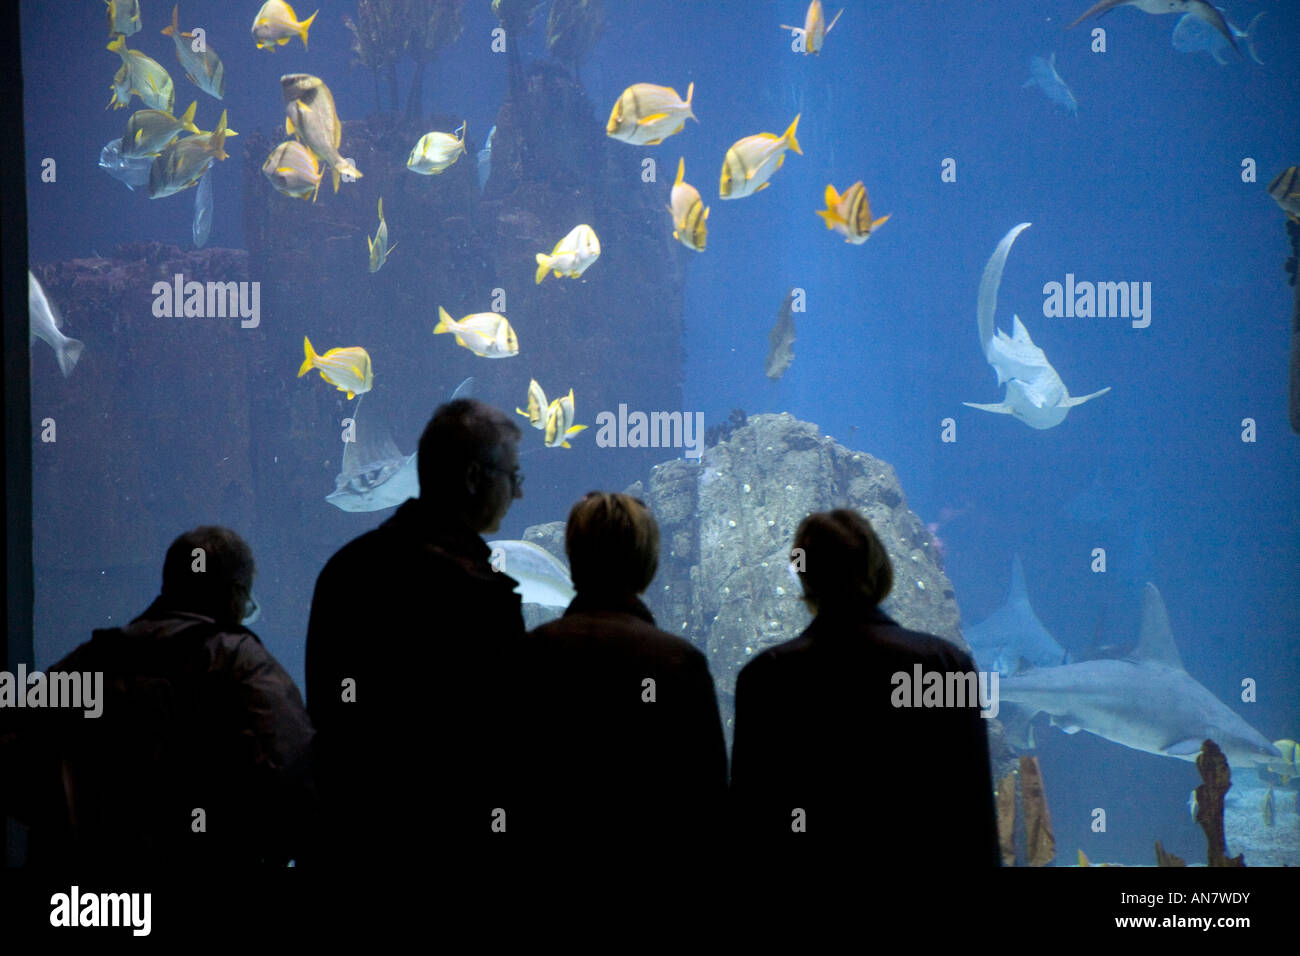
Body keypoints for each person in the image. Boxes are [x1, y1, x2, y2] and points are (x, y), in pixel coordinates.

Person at [1, 526, 314, 867]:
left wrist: (71, 826)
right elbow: (295, 774)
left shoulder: (94, 657)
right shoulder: (241, 662)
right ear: (237, 594)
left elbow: (12, 747)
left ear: (169, 582)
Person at [305, 399, 526, 865]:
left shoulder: (343, 571)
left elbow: (327, 717)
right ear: (472, 478)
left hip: (351, 840)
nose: (518, 493)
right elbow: (497, 749)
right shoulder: (483, 597)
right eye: (512, 476)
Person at [730, 509, 999, 866]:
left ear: (803, 579)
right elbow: (973, 810)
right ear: (880, 569)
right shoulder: (947, 666)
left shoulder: (767, 676)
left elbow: (752, 817)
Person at [517, 492, 727, 849]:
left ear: (573, 559)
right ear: (648, 565)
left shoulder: (527, 658)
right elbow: (708, 796)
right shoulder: (681, 663)